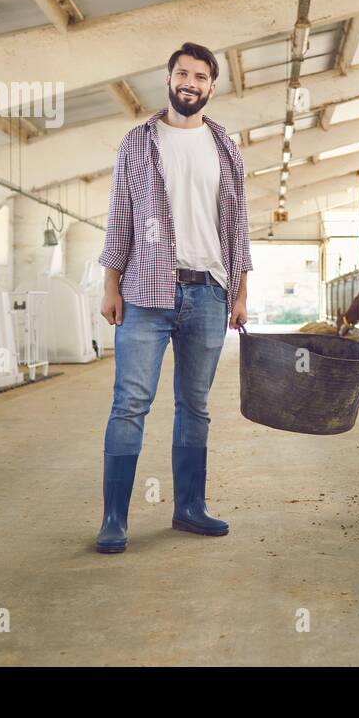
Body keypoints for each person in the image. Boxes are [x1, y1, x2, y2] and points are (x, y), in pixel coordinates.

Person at [94, 42, 251, 554]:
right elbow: (119, 216)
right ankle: (115, 518)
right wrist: (110, 284)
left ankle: (189, 508)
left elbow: (239, 224)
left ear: (211, 85)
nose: (191, 82)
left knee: (196, 405)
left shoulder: (225, 144)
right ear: (168, 79)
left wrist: (241, 290)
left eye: (201, 76)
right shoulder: (137, 142)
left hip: (208, 291)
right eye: (182, 73)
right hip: (145, 291)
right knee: (130, 403)